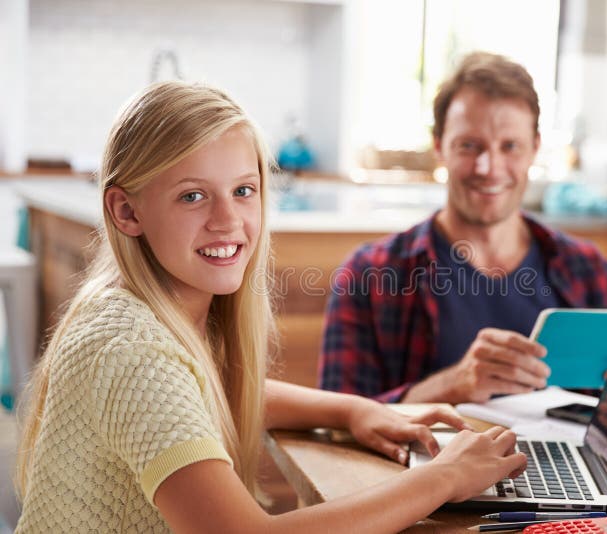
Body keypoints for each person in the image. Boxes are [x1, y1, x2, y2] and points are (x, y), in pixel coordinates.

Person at [14, 81, 526, 533]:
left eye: (243, 191)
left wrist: (355, 409)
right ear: (126, 211)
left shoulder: (147, 316)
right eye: (193, 196)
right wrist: (445, 476)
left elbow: (203, 391)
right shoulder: (130, 349)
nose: (227, 220)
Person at [320, 52, 607, 404]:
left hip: (555, 459)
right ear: (439, 147)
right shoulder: (369, 274)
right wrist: (452, 386)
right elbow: (335, 428)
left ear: (535, 148)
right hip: (425, 459)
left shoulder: (587, 269)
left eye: (510, 146)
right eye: (468, 146)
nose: (489, 168)